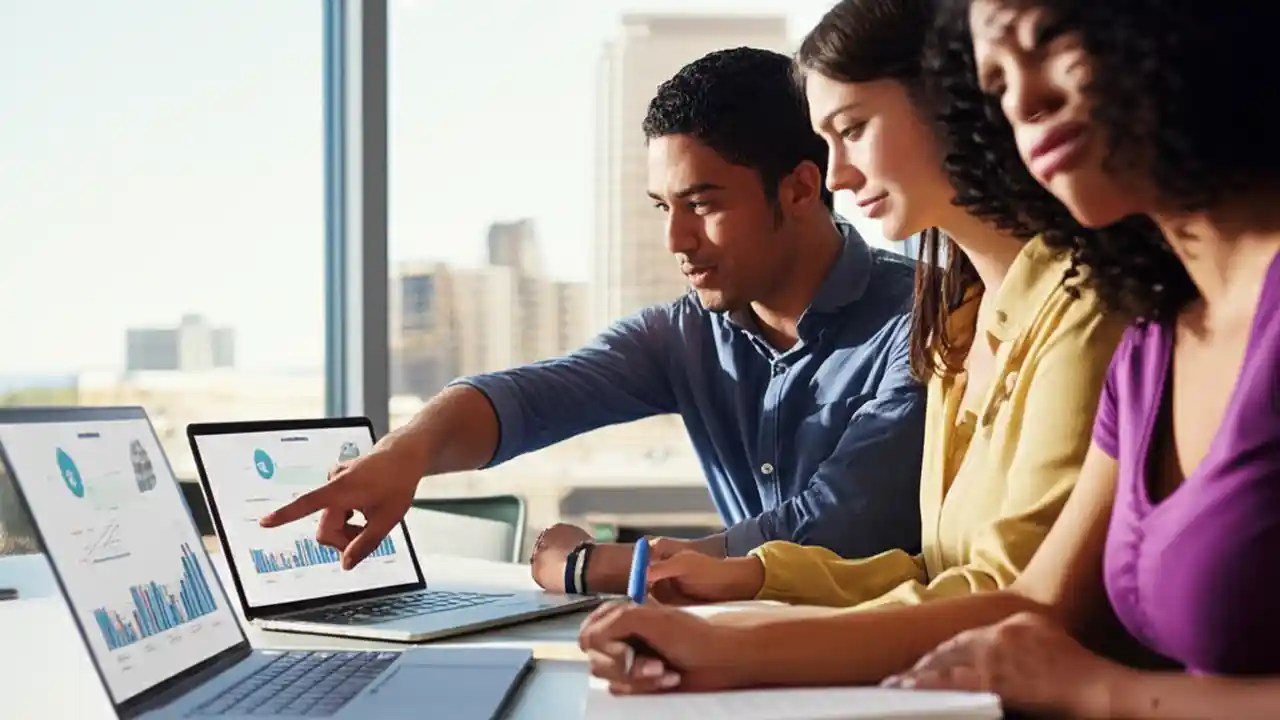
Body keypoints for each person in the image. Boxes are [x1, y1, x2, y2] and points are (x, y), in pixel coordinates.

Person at [580, 0, 1280, 716]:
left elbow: (1020, 604)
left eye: (853, 129)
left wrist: (1108, 694)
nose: (1024, 104)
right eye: (999, 81)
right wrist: (746, 597)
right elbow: (1000, 586)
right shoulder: (1107, 335)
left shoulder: (1102, 307)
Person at [261, 48, 928, 595]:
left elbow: (841, 525)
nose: (676, 240)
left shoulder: (918, 320)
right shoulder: (688, 333)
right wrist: (406, 453)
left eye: (702, 204)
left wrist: (598, 567)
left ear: (801, 189)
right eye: (662, 207)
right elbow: (534, 395)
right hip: (747, 659)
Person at [629, 0, 1126, 615]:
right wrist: (753, 577)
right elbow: (939, 566)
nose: (835, 176)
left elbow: (1008, 596)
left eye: (853, 129)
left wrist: (741, 645)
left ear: (947, 101)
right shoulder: (951, 323)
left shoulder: (1085, 309)